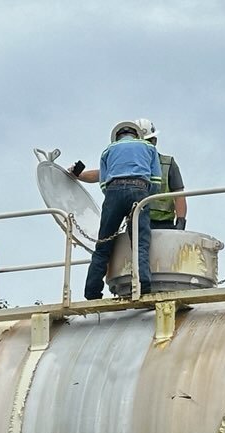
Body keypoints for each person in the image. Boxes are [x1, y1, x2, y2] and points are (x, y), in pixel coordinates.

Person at [68, 120, 161, 300]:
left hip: (113, 192)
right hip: (140, 190)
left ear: (116, 136)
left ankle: (92, 291)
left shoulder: (108, 150)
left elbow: (103, 183)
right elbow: (156, 182)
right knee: (140, 241)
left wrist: (115, 200)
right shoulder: (149, 149)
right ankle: (143, 285)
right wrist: (144, 198)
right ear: (138, 135)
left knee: (103, 245)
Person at [134, 118, 187, 231]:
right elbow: (103, 173)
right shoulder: (128, 164)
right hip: (137, 222)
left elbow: (179, 195)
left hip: (164, 224)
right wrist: (84, 174)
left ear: (155, 141)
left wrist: (181, 221)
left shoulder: (168, 164)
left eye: (149, 141)